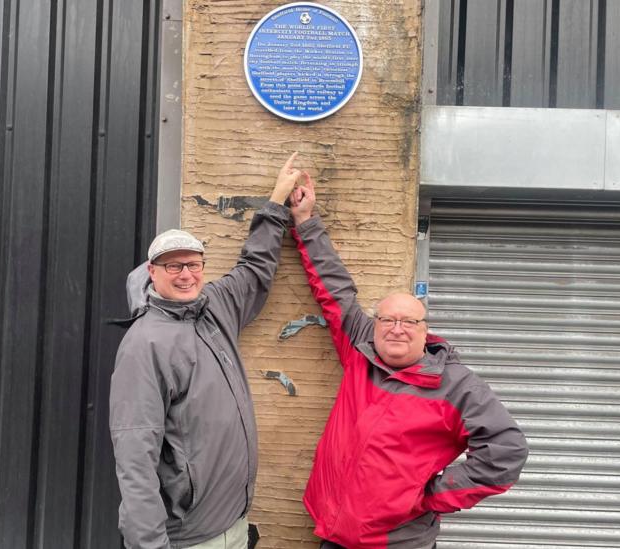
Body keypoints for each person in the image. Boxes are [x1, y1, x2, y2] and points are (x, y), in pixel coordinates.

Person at [286, 175, 528, 548]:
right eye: (388, 319)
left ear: (425, 331)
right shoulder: (361, 348)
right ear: (376, 324)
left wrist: (430, 496)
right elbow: (335, 290)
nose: (397, 329)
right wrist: (305, 221)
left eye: (409, 322)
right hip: (333, 534)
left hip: (398, 542)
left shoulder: (455, 385)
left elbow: (507, 450)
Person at [109, 153, 305, 548]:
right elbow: (135, 458)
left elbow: (254, 268)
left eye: (193, 264)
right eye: (173, 266)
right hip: (191, 537)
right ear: (152, 272)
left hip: (234, 523)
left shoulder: (214, 305)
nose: (186, 274)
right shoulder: (144, 343)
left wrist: (276, 202)